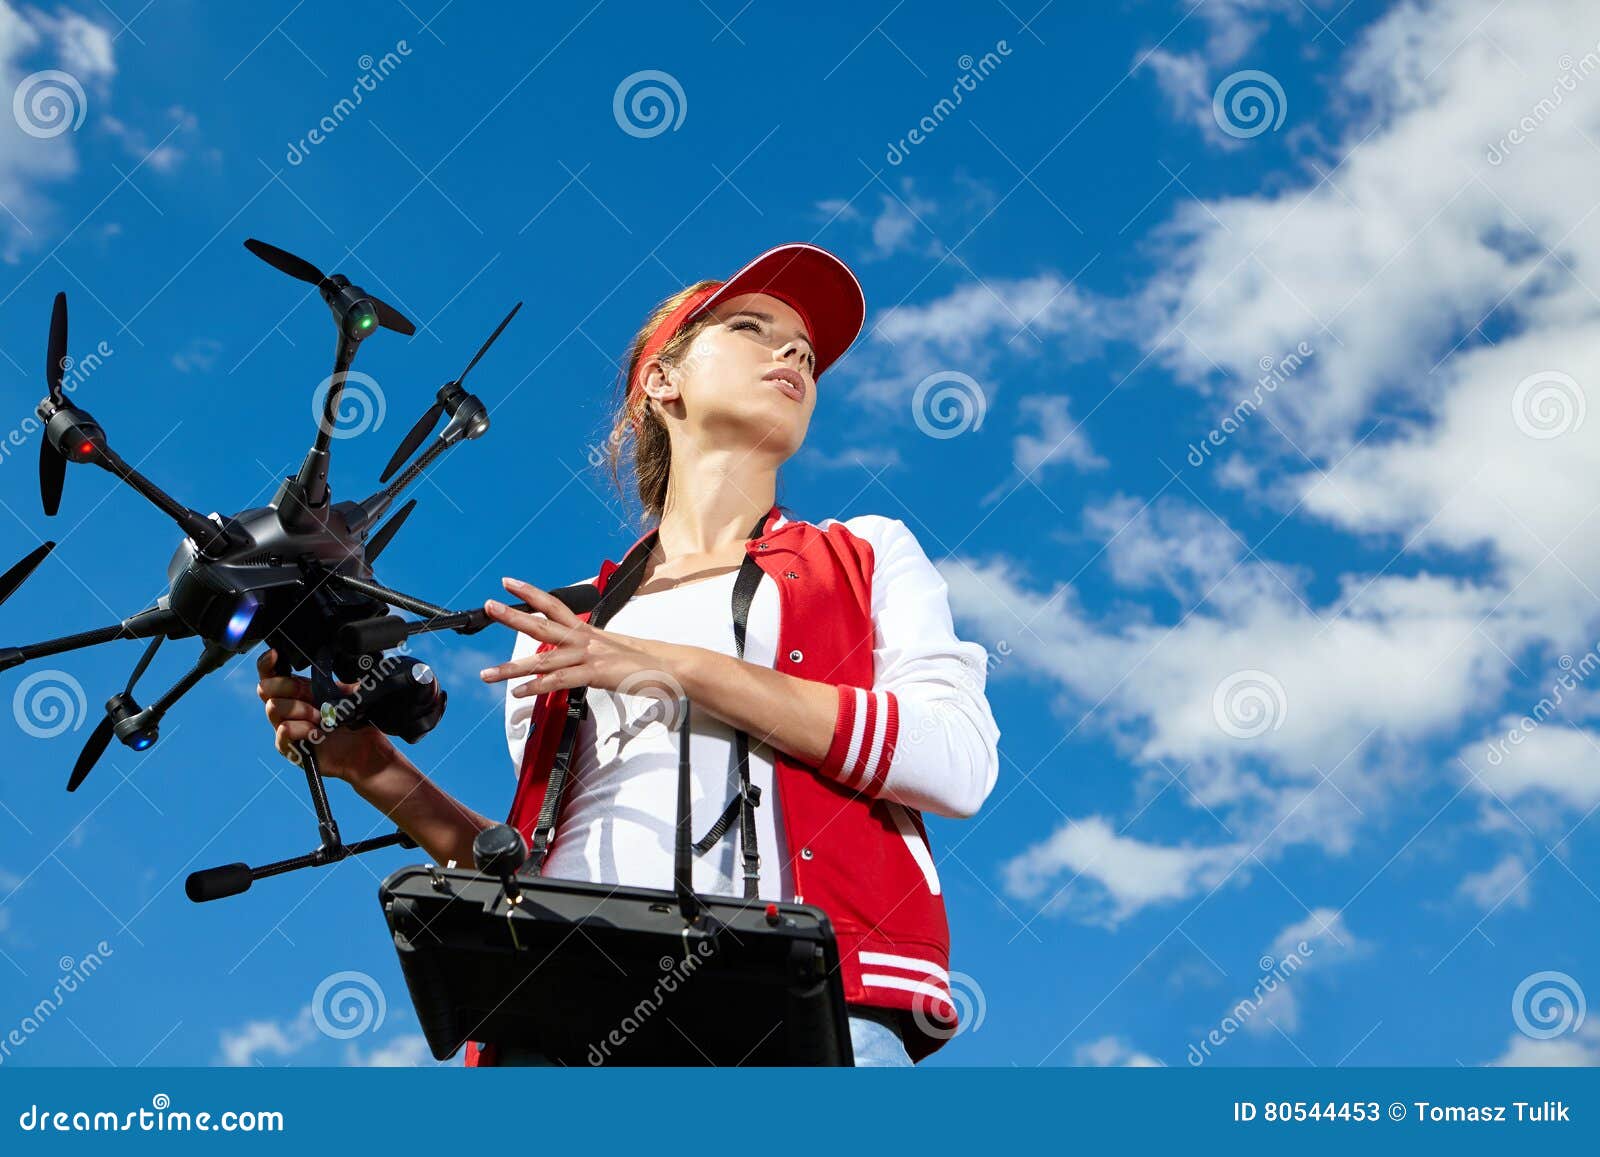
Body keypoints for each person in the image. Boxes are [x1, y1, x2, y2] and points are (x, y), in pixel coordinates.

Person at [255, 242, 1001, 1067]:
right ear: (662, 381)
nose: (793, 353)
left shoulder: (864, 554)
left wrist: (668, 664)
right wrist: (371, 765)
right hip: (567, 1013)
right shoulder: (567, 616)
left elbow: (956, 760)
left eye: (807, 352)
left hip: (802, 1007)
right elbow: (538, 874)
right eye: (754, 328)